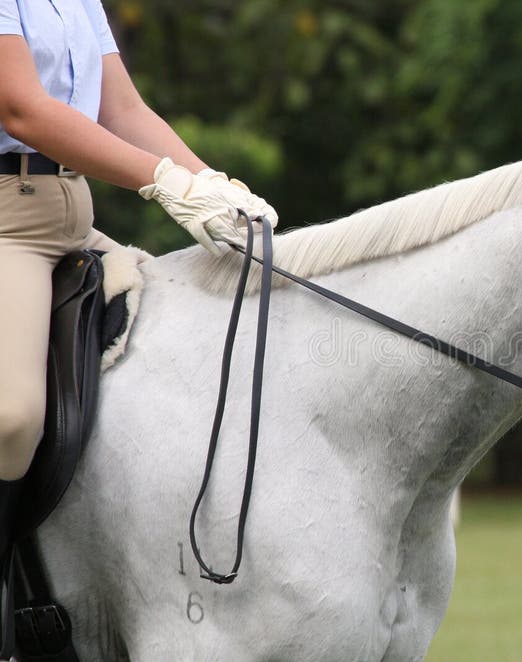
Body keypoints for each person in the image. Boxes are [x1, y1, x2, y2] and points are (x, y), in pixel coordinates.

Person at [0, 0, 278, 586]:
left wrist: (210, 185)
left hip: (72, 220)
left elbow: (121, 108)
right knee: (12, 416)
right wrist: (161, 180)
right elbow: (21, 110)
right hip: (8, 225)